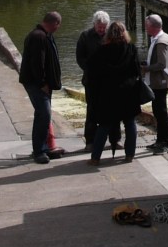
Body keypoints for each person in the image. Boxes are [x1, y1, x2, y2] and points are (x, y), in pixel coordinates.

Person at [84, 21, 143, 166]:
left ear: (109, 34)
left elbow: (91, 73)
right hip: (128, 93)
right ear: (124, 33)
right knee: (130, 124)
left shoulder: (101, 51)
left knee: (104, 125)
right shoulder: (130, 49)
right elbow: (137, 71)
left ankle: (95, 157)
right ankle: (129, 155)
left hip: (107, 94)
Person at [18, 11, 64, 165]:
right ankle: (39, 151)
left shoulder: (43, 35)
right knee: (44, 114)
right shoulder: (39, 37)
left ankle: (43, 147)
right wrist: (43, 83)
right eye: (58, 25)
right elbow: (38, 63)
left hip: (39, 83)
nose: (58, 28)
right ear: (54, 23)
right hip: (36, 84)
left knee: (42, 115)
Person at [75, 10, 119, 152]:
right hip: (92, 81)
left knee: (113, 111)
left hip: (109, 81)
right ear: (94, 24)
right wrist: (90, 69)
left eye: (104, 27)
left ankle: (114, 140)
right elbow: (80, 57)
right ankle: (90, 141)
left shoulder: (112, 35)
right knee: (92, 111)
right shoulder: (85, 36)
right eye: (99, 27)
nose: (101, 30)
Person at [141, 14, 168, 153]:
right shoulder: (156, 39)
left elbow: (162, 64)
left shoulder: (161, 41)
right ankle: (160, 140)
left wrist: (146, 68)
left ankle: (167, 141)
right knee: (157, 111)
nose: (145, 28)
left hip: (160, 82)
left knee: (161, 112)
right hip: (155, 82)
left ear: (153, 26)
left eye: (147, 26)